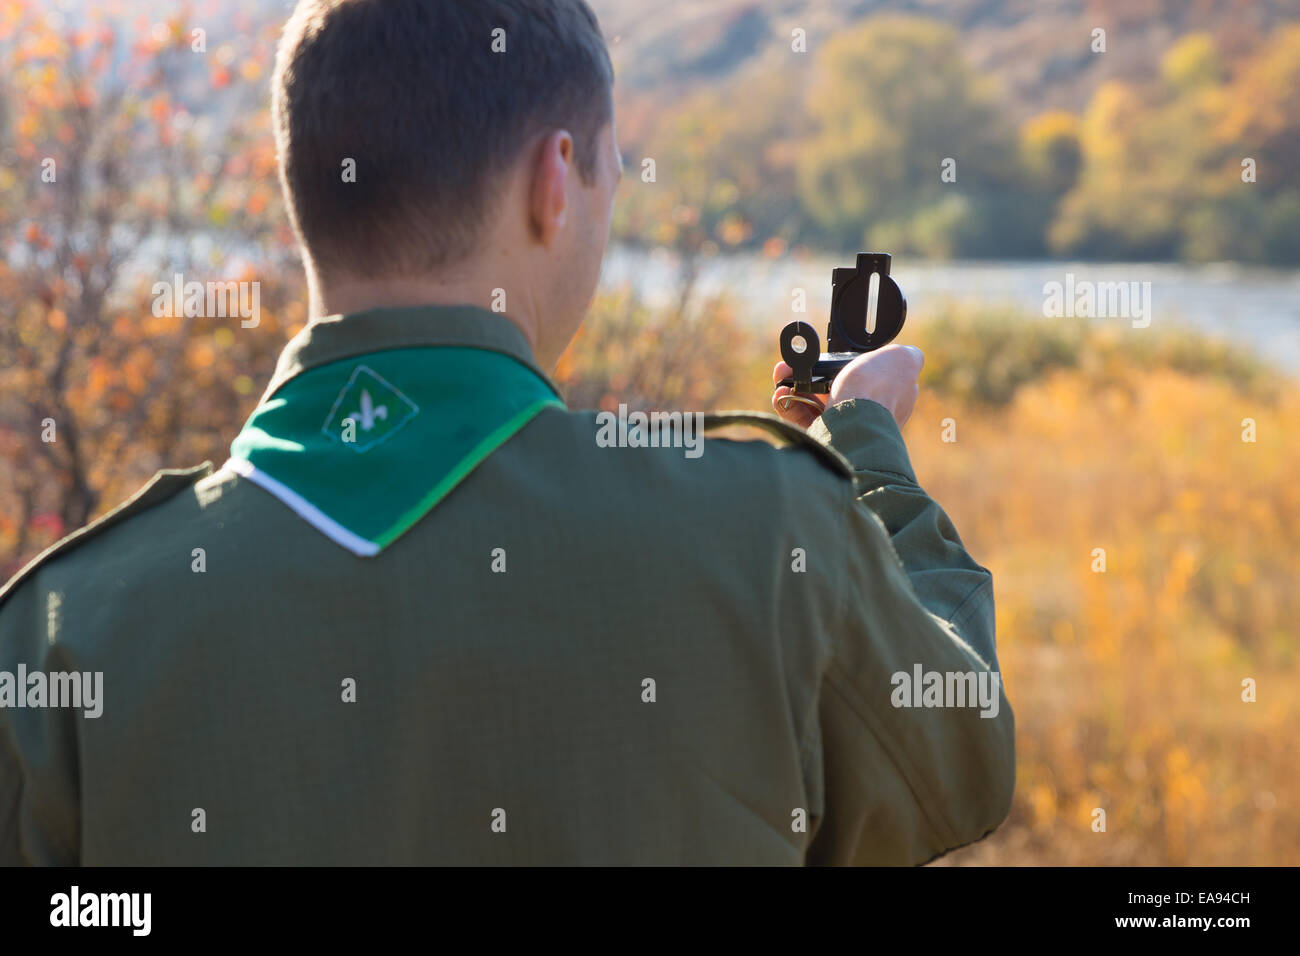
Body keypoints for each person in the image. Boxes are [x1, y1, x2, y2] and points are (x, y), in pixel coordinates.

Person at [0, 0, 1013, 865]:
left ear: (305, 185)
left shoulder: (63, 627)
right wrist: (868, 453)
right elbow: (958, 758)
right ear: (555, 181)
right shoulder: (772, 533)